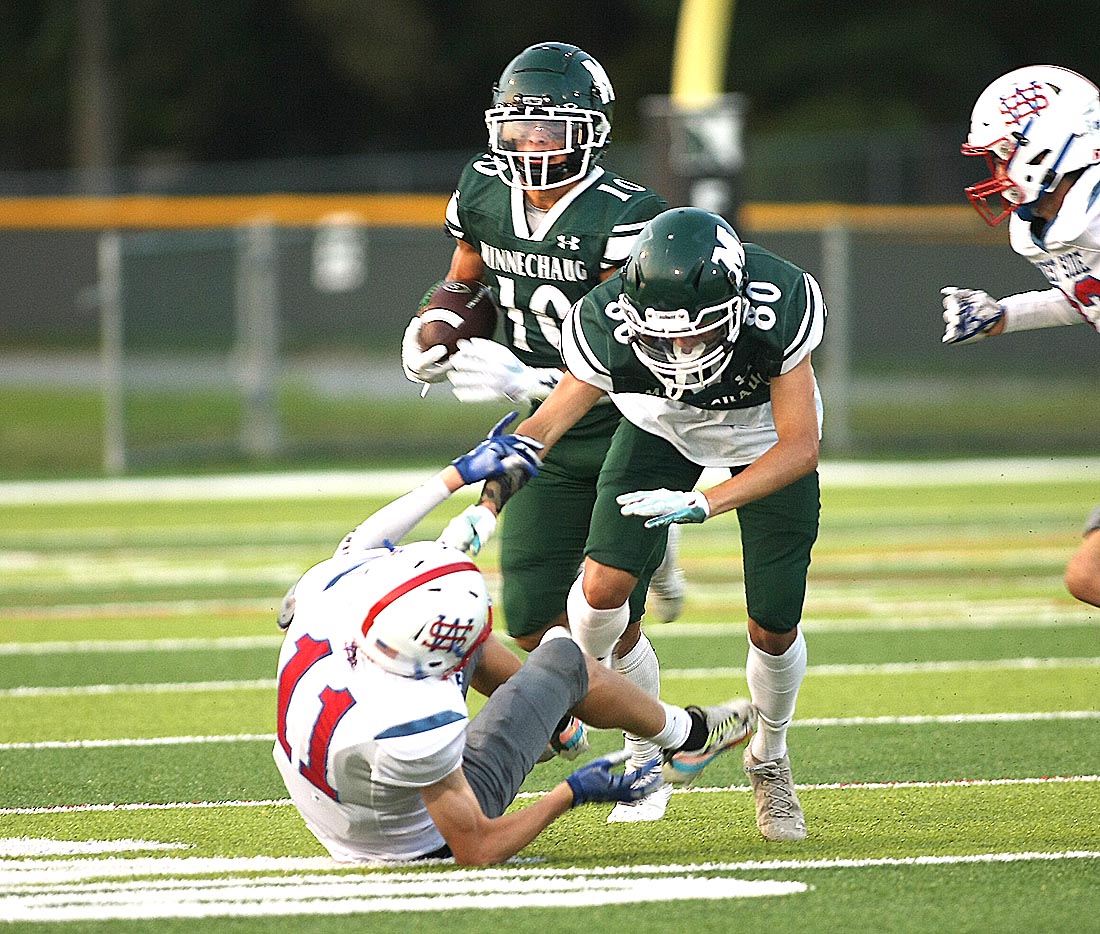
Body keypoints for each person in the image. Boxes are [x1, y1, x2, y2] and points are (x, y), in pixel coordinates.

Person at [448, 206, 826, 842]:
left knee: (774, 619)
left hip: (763, 437)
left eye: (697, 334)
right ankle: (646, 748)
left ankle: (770, 756)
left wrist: (705, 503)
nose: (681, 351)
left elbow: (800, 447)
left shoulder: (778, 298)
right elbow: (542, 429)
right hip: (663, 426)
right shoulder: (605, 318)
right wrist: (483, 509)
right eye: (663, 337)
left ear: (736, 304)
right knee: (598, 591)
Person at [400, 40, 685, 822]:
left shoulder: (629, 216)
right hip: (540, 429)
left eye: (546, 126)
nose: (529, 143)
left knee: (602, 607)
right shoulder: (484, 191)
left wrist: (526, 381)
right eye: (516, 126)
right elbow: (465, 278)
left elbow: (625, 349)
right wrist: (433, 326)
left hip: (635, 415)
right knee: (530, 619)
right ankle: (642, 577)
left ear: (589, 129)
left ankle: (646, 760)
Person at [273, 415, 756, 866]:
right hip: (402, 836)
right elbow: (477, 847)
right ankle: (684, 737)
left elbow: (367, 539)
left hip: (335, 791)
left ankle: (558, 723)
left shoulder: (333, 593)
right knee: (563, 657)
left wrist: (458, 474)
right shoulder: (413, 723)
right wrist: (572, 793)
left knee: (503, 659)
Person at [941, 64, 1100, 609]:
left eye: (1003, 152)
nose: (998, 169)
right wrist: (1005, 315)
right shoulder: (1056, 227)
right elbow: (1089, 299)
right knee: (1090, 575)